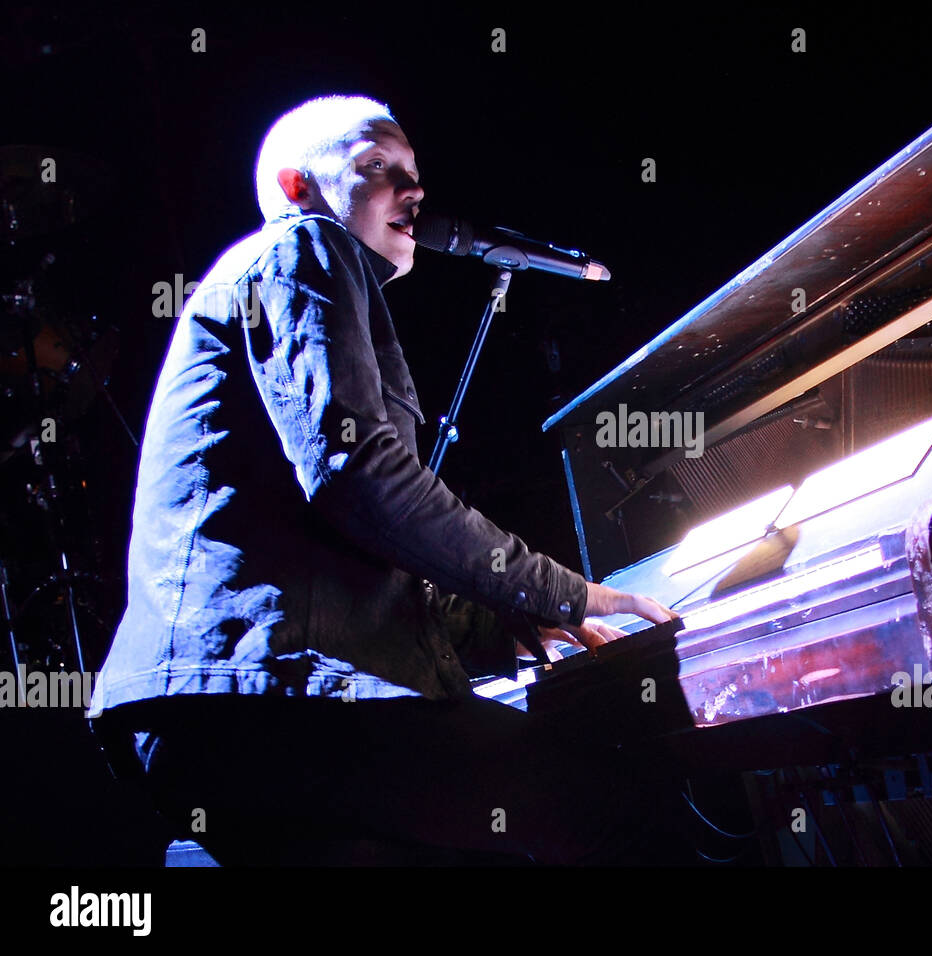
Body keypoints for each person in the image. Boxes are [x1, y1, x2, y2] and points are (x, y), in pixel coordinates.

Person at [88, 94, 692, 865]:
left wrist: (513, 623)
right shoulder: (302, 248)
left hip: (222, 713)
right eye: (376, 167)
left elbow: (356, 554)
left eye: (414, 175)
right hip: (259, 704)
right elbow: (363, 479)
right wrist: (567, 593)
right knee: (607, 795)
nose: (412, 193)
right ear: (299, 185)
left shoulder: (294, 278)